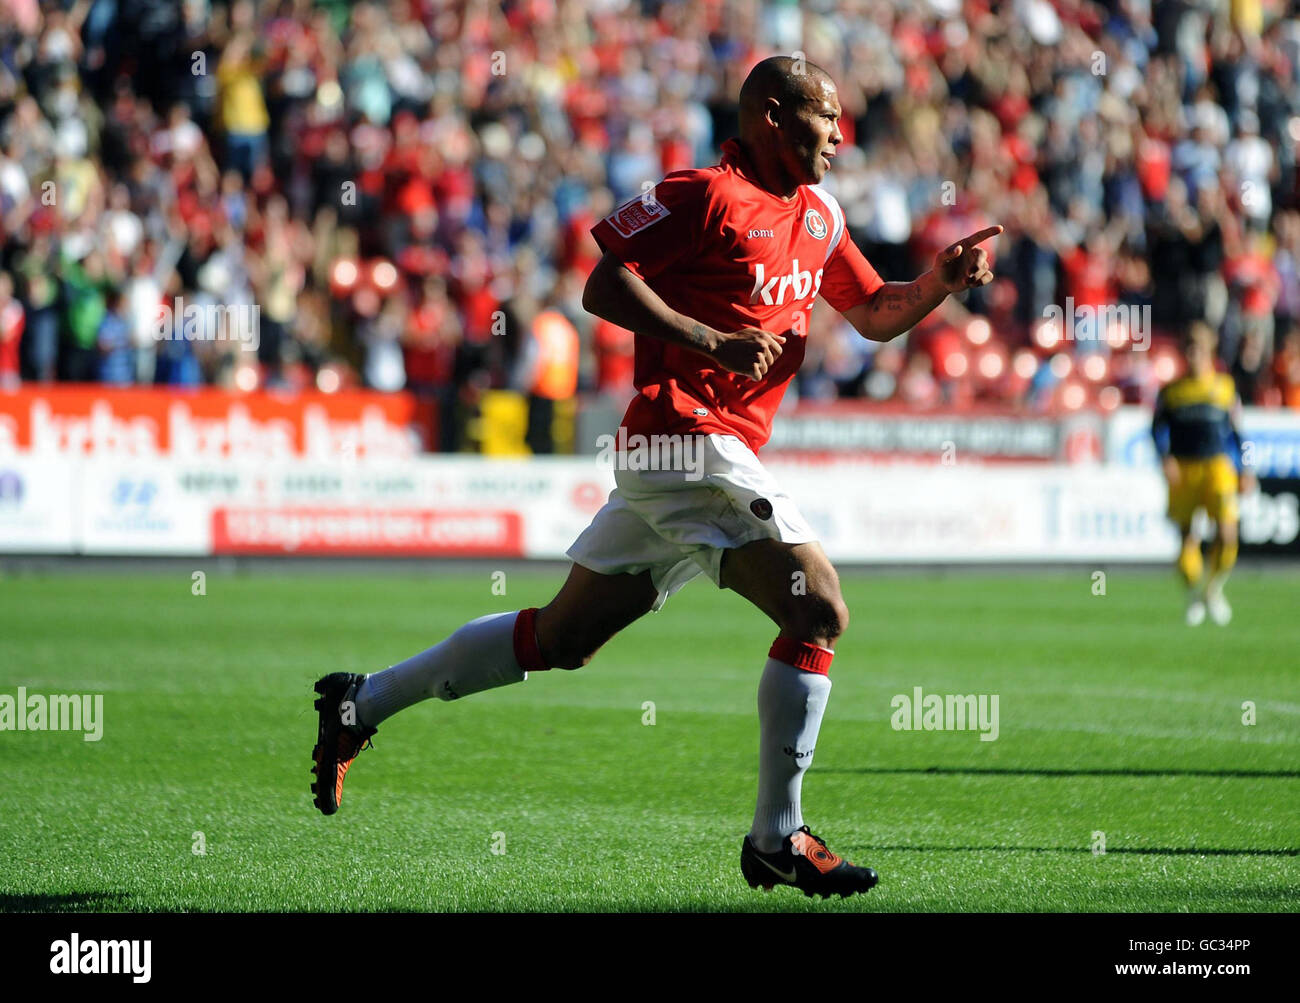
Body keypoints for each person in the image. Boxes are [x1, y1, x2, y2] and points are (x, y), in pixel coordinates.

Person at [311, 56, 1001, 898]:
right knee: (817, 604)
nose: (840, 135)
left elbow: (875, 313)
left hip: (704, 458)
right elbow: (603, 282)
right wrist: (710, 341)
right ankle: (776, 838)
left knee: (560, 640)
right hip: (683, 439)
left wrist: (939, 280)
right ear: (774, 116)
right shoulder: (700, 194)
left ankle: (361, 702)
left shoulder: (819, 215)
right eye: (826, 117)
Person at [1152, 322, 1256, 625]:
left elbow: (1241, 435)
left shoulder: (1224, 387)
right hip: (1184, 469)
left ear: (1209, 350)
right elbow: (1156, 429)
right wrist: (1164, 457)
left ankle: (1213, 587)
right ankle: (1193, 593)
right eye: (1188, 348)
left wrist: (1246, 468)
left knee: (1226, 532)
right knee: (1187, 539)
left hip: (1217, 466)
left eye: (1198, 348)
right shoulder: (1171, 392)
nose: (1193, 354)